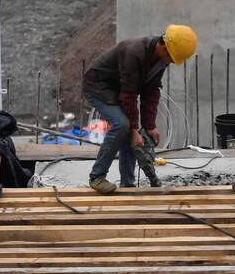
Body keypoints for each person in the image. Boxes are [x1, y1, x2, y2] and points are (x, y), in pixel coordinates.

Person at [83, 26, 197, 193]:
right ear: (164, 46)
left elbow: (151, 91)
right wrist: (135, 130)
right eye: (172, 57)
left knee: (131, 133)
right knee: (122, 125)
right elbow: (129, 96)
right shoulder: (134, 52)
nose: (172, 62)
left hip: (118, 89)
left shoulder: (161, 59)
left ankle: (127, 185)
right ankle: (97, 176)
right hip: (99, 87)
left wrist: (149, 126)